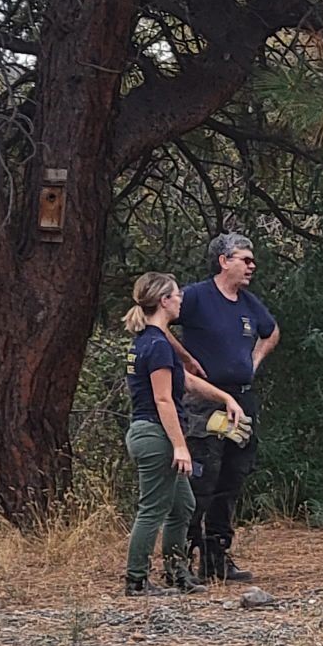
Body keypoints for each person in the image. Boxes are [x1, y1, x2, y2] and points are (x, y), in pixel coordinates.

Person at [123, 272, 246, 597]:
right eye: (176, 295)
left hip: (153, 432)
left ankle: (177, 571)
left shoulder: (150, 343)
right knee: (153, 508)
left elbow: (187, 382)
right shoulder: (158, 346)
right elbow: (163, 398)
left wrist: (225, 398)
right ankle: (136, 579)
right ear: (164, 301)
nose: (181, 300)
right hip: (155, 435)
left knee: (183, 504)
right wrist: (180, 446)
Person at [168, 233, 280, 583]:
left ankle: (217, 558)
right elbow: (153, 319)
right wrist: (183, 358)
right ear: (223, 261)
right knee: (201, 480)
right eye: (244, 259)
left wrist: (253, 361)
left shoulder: (248, 302)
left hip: (241, 400)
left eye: (252, 260)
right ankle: (181, 558)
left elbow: (272, 330)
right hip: (204, 402)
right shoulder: (197, 296)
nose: (252, 265)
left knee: (232, 478)